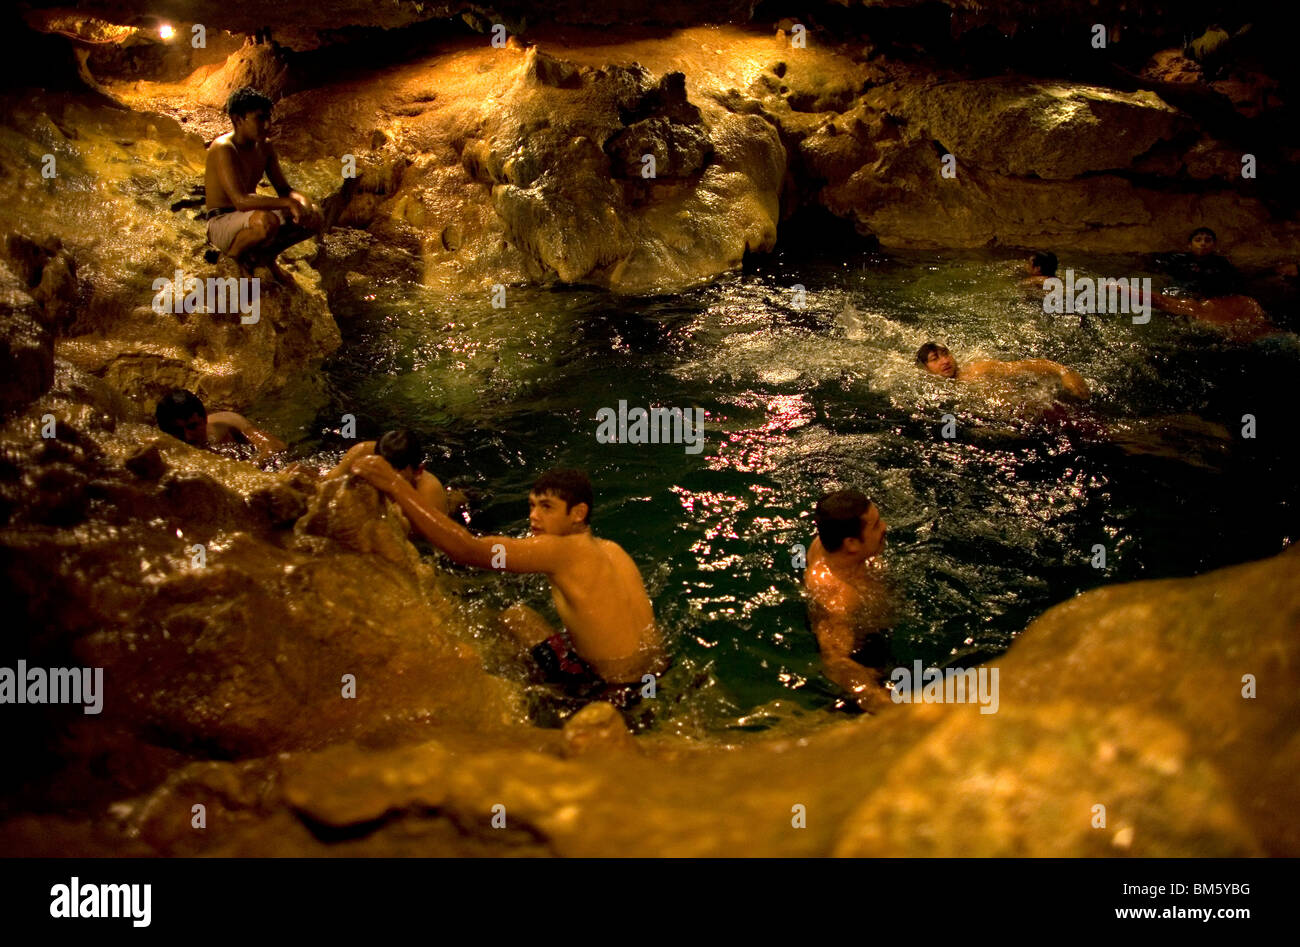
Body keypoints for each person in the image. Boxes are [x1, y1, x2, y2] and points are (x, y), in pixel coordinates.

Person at [352, 460, 665, 709]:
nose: (533, 516)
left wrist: (394, 485)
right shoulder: (612, 549)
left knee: (503, 624)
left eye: (546, 507)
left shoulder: (560, 551)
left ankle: (534, 704)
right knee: (519, 616)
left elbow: (466, 550)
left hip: (610, 696)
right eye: (531, 506)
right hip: (656, 677)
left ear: (578, 513)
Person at [202, 87, 323, 282]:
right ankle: (231, 258)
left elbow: (285, 189)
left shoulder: (264, 146)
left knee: (315, 216)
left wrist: (302, 203)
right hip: (222, 221)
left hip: (246, 216)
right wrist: (287, 203)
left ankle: (265, 258)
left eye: (268, 118)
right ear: (238, 119)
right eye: (259, 118)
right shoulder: (224, 148)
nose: (267, 125)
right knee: (266, 222)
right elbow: (240, 201)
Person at [803, 490, 895, 713]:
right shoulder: (837, 597)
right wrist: (884, 704)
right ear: (851, 543)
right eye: (875, 526)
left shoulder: (826, 542)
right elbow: (835, 662)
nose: (884, 527)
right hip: (863, 654)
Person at [326, 429, 461, 515]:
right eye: (380, 473)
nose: (384, 482)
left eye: (394, 478)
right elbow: (325, 485)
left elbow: (429, 546)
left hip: (446, 508)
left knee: (456, 502)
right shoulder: (361, 454)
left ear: (418, 471)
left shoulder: (429, 495)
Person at [915, 341, 1091, 400]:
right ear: (926, 369)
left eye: (946, 354)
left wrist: (1064, 372)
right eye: (935, 359)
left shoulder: (980, 369)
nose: (944, 361)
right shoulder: (931, 392)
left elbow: (1026, 366)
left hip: (1037, 412)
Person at [154, 388, 286, 457]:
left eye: (193, 427)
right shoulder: (161, 448)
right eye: (176, 431)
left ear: (204, 419)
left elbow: (275, 446)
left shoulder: (228, 422)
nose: (187, 437)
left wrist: (249, 467)